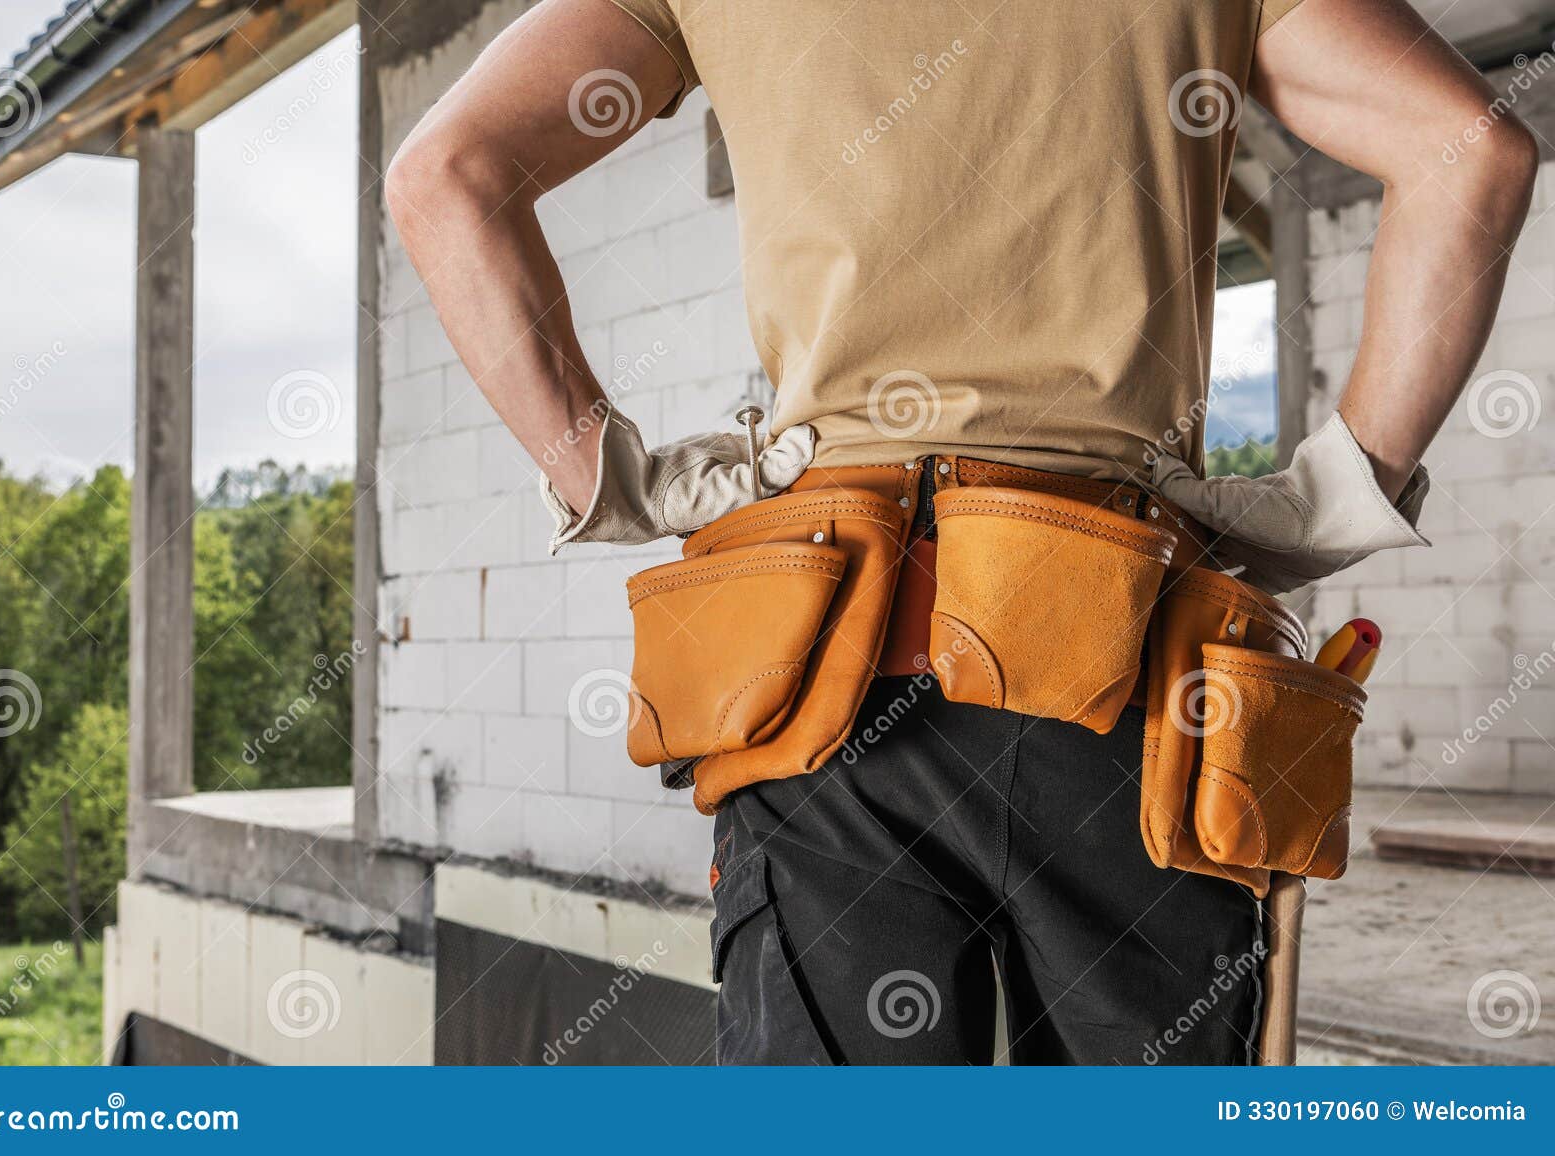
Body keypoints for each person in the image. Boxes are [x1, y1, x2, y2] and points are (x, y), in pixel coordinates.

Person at [385, 0, 1538, 1063]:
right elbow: (1473, 150)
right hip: (1127, 671)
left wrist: (604, 474)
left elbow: (445, 175)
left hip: (833, 673)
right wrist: (1337, 492)